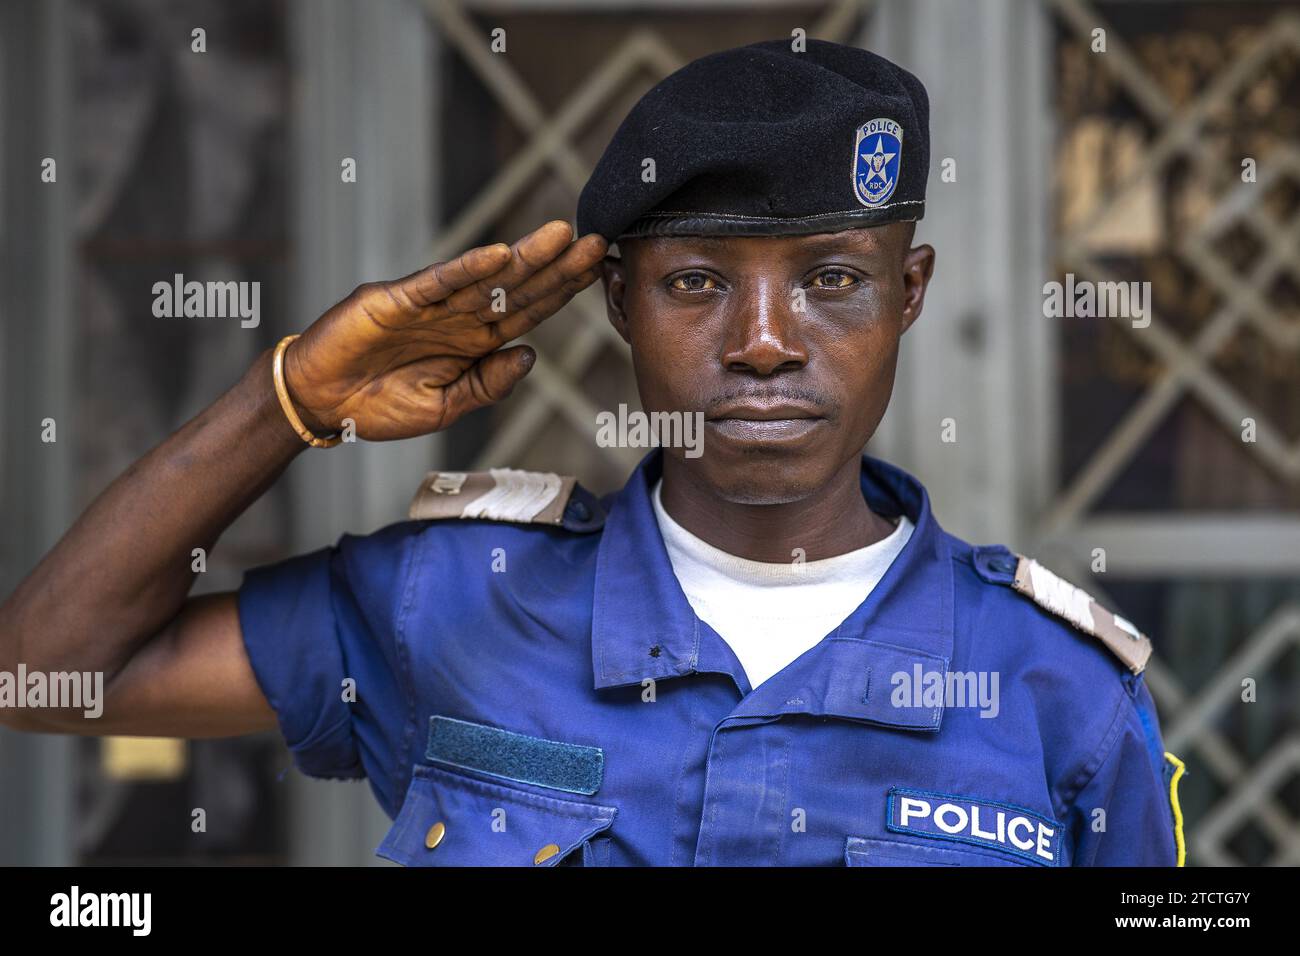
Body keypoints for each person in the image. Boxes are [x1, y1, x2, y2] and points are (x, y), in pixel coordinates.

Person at [0, 38, 1183, 866]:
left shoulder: (1059, 694)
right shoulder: (454, 600)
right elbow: (45, 673)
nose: (764, 345)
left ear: (907, 293)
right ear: (618, 301)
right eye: (696, 284)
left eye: (832, 280)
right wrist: (292, 398)